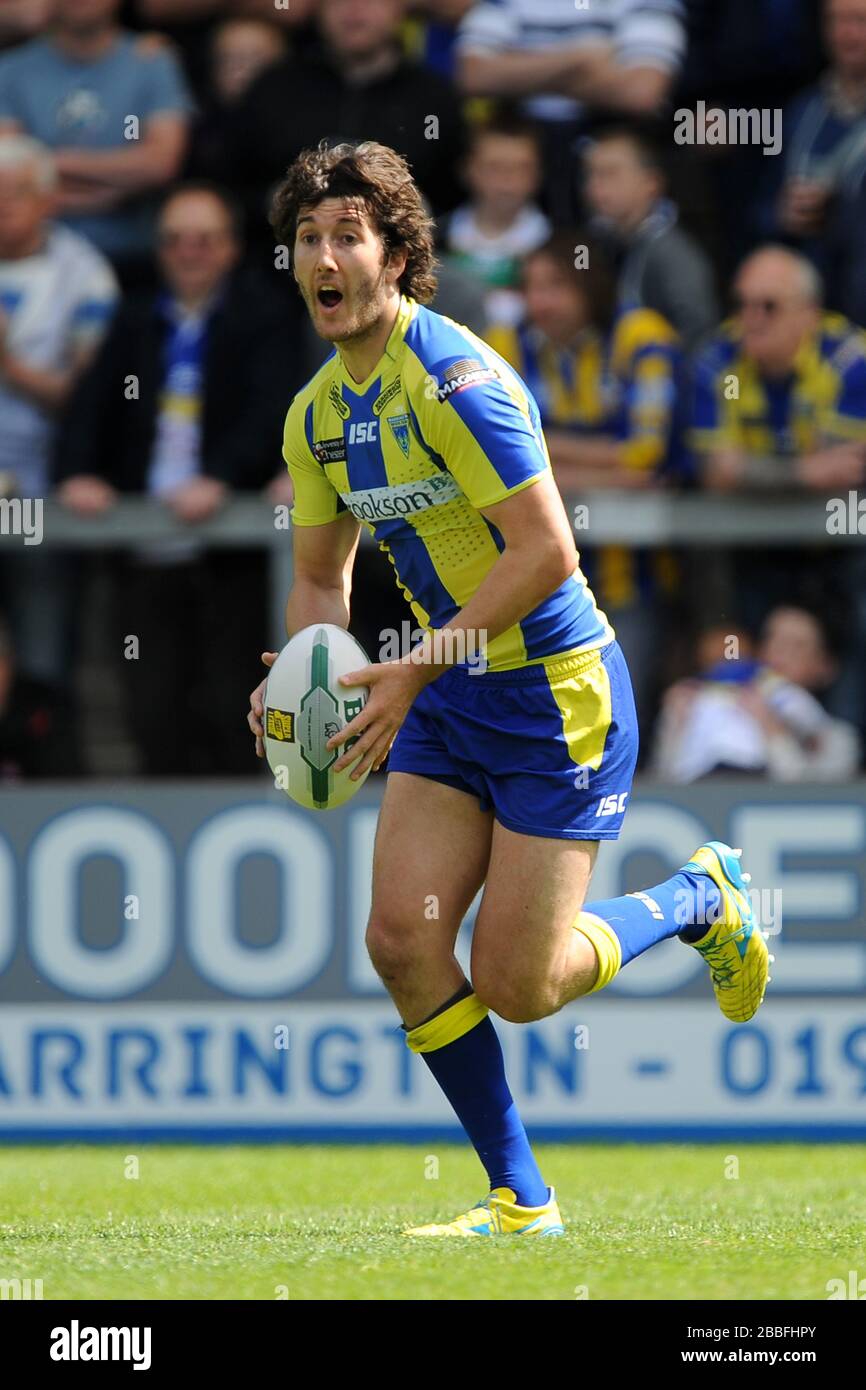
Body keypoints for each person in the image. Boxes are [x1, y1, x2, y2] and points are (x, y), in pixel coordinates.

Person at [247, 138, 770, 1238]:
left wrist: (408, 672)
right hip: (444, 689)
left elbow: (545, 556)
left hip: (550, 693)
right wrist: (308, 681)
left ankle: (697, 898)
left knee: (520, 986)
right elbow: (314, 577)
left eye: (349, 234)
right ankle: (520, 1199)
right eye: (308, 237)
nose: (325, 255)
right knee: (399, 939)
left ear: (397, 257)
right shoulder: (314, 416)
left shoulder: (453, 377)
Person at [56, 181, 303, 775]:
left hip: (229, 551)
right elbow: (90, 405)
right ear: (160, 249)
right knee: (150, 707)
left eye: (204, 240)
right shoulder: (136, 318)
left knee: (231, 705)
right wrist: (78, 472)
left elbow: (273, 408)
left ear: (229, 248)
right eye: (175, 241)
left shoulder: (265, 317)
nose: (189, 253)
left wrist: (221, 477)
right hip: (146, 550)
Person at [485, 231, 686, 730]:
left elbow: (647, 458)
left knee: (618, 720)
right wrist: (604, 458)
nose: (540, 301)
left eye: (555, 285)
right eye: (531, 287)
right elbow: (485, 452)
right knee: (545, 731)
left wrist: (538, 449)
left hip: (631, 574)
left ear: (590, 283)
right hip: (532, 582)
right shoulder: (504, 344)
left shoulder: (642, 337)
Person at [0, 134, 118, 697]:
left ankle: (39, 756)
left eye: (13, 195)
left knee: (42, 644)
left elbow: (87, 399)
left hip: (40, 492)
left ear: (48, 199)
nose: (0, 206)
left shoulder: (85, 276)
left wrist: (8, 367)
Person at [0, 0, 193, 283]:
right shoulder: (11, 69)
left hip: (137, 258)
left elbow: (161, 163)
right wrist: (116, 191)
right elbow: (10, 171)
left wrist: (50, 166)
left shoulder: (151, 61)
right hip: (36, 264)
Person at [651, 617, 861, 782]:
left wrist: (774, 732)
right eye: (772, 639)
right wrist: (677, 726)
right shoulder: (718, 697)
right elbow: (665, 785)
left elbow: (807, 802)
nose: (780, 652)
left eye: (796, 645)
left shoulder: (839, 739)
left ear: (825, 666)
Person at [583, 124, 718, 353]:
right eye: (591, 174)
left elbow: (701, 333)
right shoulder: (601, 243)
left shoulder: (673, 252)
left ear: (651, 183)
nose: (595, 186)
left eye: (610, 173)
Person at [441, 108, 551, 329]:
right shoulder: (436, 238)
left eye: (521, 168)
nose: (508, 180)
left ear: (539, 173)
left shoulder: (556, 245)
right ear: (469, 169)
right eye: (495, 167)